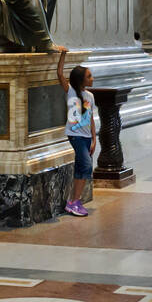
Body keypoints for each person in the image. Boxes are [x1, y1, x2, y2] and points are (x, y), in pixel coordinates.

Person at [57, 49, 97, 217]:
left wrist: (95, 139)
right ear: (81, 80)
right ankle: (74, 201)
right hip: (75, 136)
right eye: (89, 76)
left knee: (82, 168)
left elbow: (91, 118)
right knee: (86, 166)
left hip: (87, 137)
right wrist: (63, 54)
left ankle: (75, 201)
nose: (92, 78)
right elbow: (59, 74)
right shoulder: (72, 92)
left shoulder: (90, 96)